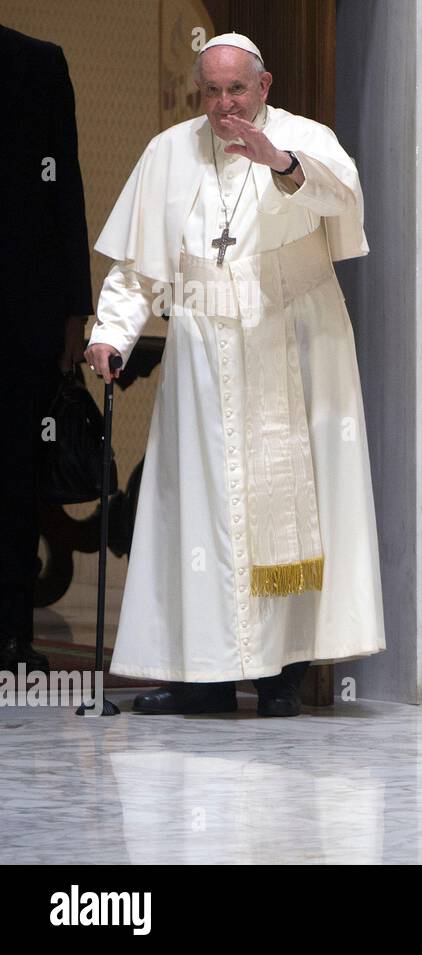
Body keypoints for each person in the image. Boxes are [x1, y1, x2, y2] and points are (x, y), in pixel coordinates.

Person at [84, 33, 385, 716]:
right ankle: (205, 679)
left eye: (237, 90)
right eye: (212, 92)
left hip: (294, 339)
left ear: (265, 85)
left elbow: (341, 200)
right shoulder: (169, 153)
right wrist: (111, 333)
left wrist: (279, 162)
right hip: (200, 353)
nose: (224, 105)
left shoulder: (306, 139)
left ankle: (281, 677)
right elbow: (139, 266)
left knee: (293, 508)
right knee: (202, 514)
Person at [0, 26, 93, 675]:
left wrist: (74, 311)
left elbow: (66, 187)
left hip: (21, 313)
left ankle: (10, 633)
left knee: (13, 478)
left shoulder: (37, 64)